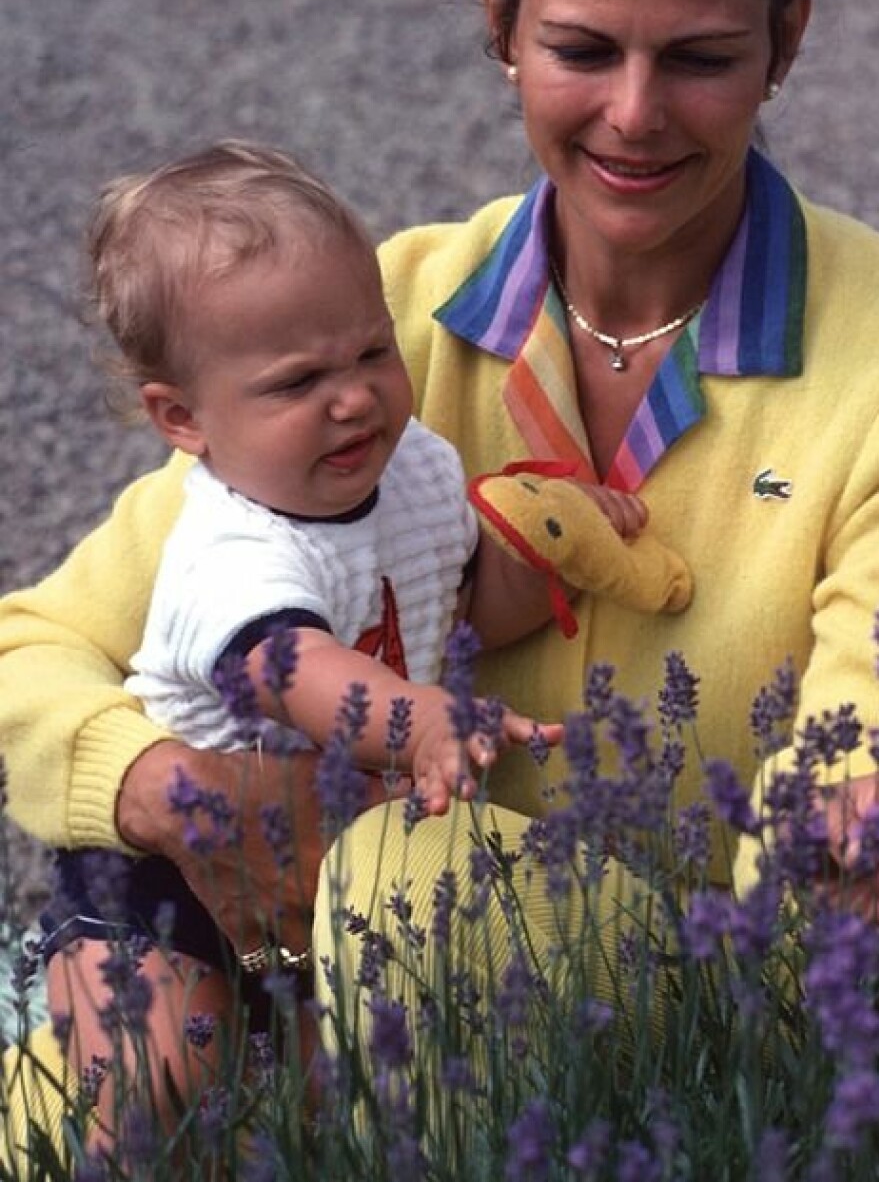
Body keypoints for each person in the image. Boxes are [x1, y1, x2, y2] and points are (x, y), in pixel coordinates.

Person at [0, 0, 879, 1143]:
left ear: (786, 39)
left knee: (408, 894)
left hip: (668, 1012)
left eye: (703, 58)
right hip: (291, 958)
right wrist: (162, 791)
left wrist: (858, 835)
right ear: (498, 18)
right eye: (583, 48)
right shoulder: (378, 316)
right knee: (82, 1090)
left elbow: (869, 739)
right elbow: (41, 645)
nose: (634, 113)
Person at [38, 138, 650, 1132]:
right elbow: (292, 668)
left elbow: (461, 605)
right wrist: (421, 726)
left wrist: (546, 551)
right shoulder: (232, 543)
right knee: (153, 1083)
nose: (355, 394)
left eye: (371, 350)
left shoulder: (409, 465)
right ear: (181, 416)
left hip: (335, 858)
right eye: (296, 381)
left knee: (344, 1092)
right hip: (159, 883)